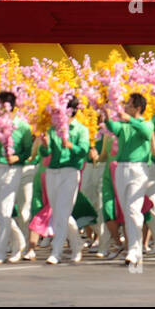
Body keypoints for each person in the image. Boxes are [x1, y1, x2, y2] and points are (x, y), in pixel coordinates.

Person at [36, 95, 91, 265]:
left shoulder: (80, 129)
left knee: (62, 211)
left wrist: (70, 145)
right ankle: (77, 244)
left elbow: (83, 151)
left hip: (70, 171)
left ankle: (56, 252)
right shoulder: (53, 129)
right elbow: (46, 154)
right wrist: (45, 145)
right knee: (60, 212)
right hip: (53, 171)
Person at [105, 92, 155, 269]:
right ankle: (135, 251)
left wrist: (130, 119)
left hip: (139, 169)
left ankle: (134, 251)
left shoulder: (146, 123)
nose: (125, 107)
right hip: (121, 168)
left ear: (137, 108)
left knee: (134, 210)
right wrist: (106, 116)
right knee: (128, 211)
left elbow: (145, 132)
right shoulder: (124, 125)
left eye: (129, 104)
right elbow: (113, 127)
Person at [0, 90, 35, 265]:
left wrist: (18, 157)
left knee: (6, 210)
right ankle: (19, 243)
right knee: (0, 212)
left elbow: (27, 150)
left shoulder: (22, 126)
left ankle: (0, 252)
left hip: (12, 169)